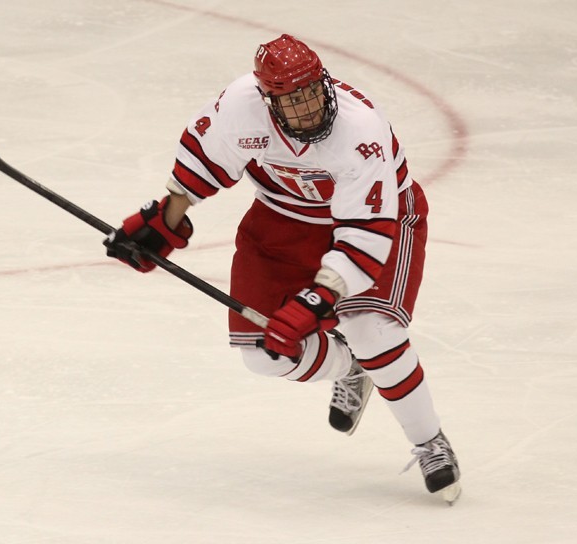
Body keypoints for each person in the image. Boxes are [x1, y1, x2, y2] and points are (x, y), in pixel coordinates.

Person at [104, 34, 461, 502]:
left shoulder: (360, 131)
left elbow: (364, 236)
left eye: (314, 90)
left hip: (380, 221)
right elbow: (203, 166)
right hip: (281, 220)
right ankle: (351, 367)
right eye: (293, 99)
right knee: (263, 355)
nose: (309, 106)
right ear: (268, 100)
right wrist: (162, 224)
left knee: (371, 329)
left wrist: (318, 298)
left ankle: (428, 440)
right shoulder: (239, 109)